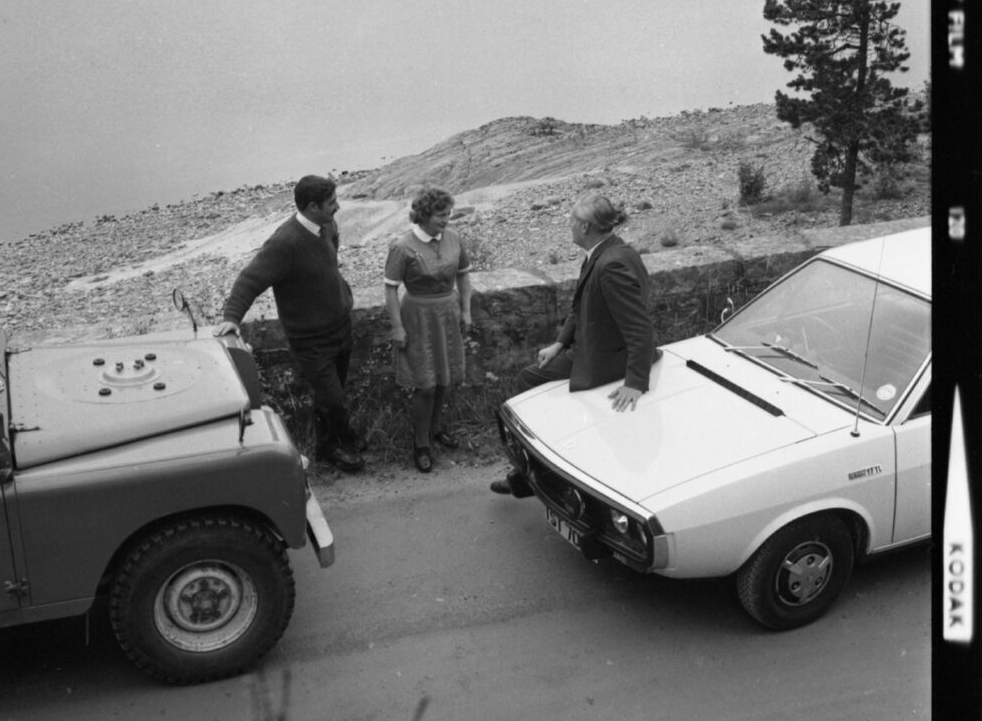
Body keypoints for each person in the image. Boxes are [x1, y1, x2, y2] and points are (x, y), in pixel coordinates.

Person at [490, 193, 660, 495]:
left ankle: (530, 473)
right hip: (589, 346)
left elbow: (640, 329)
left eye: (571, 220)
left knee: (526, 382)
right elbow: (581, 306)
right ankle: (533, 469)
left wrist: (635, 383)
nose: (567, 225)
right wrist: (558, 343)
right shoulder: (608, 252)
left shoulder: (610, 266)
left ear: (585, 226)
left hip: (601, 357)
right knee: (535, 383)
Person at [216, 175, 363, 472]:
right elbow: (250, 279)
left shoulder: (327, 226)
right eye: (332, 203)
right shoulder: (285, 242)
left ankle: (328, 444)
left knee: (333, 394)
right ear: (312, 206)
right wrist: (231, 318)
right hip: (311, 339)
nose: (338, 207)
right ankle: (338, 444)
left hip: (340, 326)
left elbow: (330, 258)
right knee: (333, 398)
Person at [384, 186, 473, 472]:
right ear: (422, 215)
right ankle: (421, 443)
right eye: (439, 215)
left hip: (447, 313)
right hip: (419, 316)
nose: (445, 220)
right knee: (425, 384)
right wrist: (397, 327)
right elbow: (390, 290)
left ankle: (436, 430)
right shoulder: (402, 247)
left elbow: (463, 276)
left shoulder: (454, 238)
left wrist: (466, 310)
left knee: (444, 380)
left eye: (448, 214)